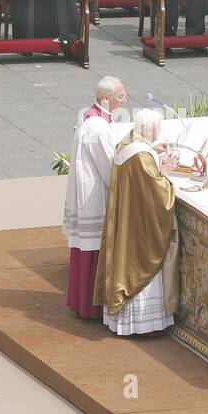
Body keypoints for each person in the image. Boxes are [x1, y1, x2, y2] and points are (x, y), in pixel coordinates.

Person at [93, 109, 180, 337]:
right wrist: (166, 173)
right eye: (157, 129)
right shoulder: (141, 157)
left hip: (126, 218)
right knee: (140, 262)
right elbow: (157, 194)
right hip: (139, 227)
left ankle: (120, 320)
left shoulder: (128, 142)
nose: (158, 133)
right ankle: (142, 325)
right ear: (151, 129)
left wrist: (153, 150)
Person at [63, 76, 124, 320]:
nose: (125, 100)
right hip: (95, 197)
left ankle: (82, 303)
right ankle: (92, 307)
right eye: (121, 96)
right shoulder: (97, 127)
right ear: (106, 98)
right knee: (93, 251)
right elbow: (110, 167)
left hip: (87, 192)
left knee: (86, 250)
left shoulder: (91, 117)